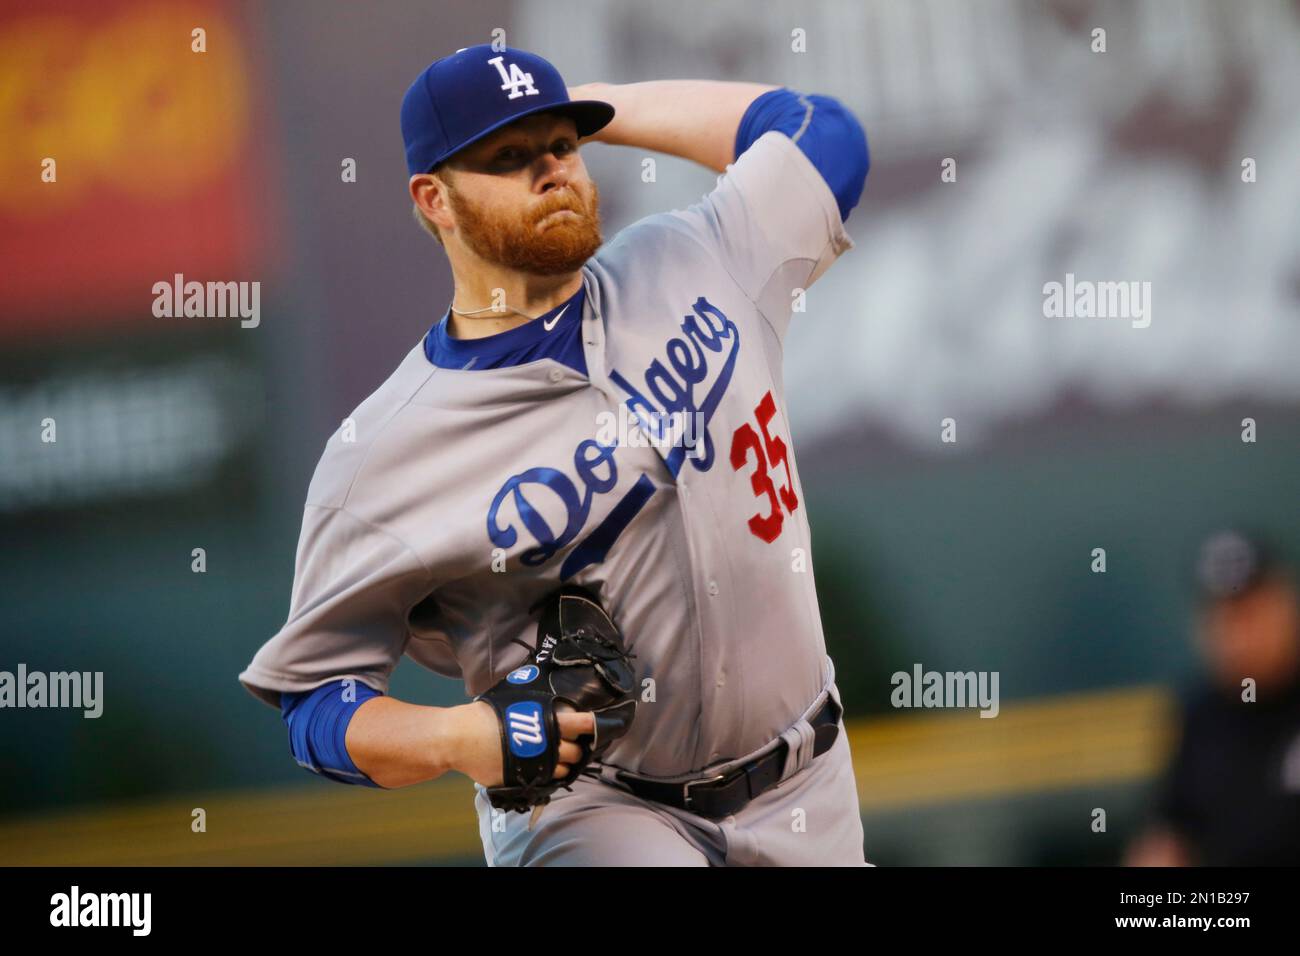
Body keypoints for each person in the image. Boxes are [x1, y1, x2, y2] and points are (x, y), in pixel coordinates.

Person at [239, 44, 871, 866]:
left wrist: (602, 101)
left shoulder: (699, 258)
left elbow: (823, 132)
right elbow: (316, 704)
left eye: (562, 146)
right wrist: (457, 737)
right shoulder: (385, 454)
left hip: (809, 784)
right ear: (433, 198)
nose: (551, 171)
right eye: (509, 157)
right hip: (595, 808)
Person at [1126, 530, 1300, 866]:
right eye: (1226, 619)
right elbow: (1168, 832)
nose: (1241, 638)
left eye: (1251, 614)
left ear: (1285, 605)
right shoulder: (1199, 714)